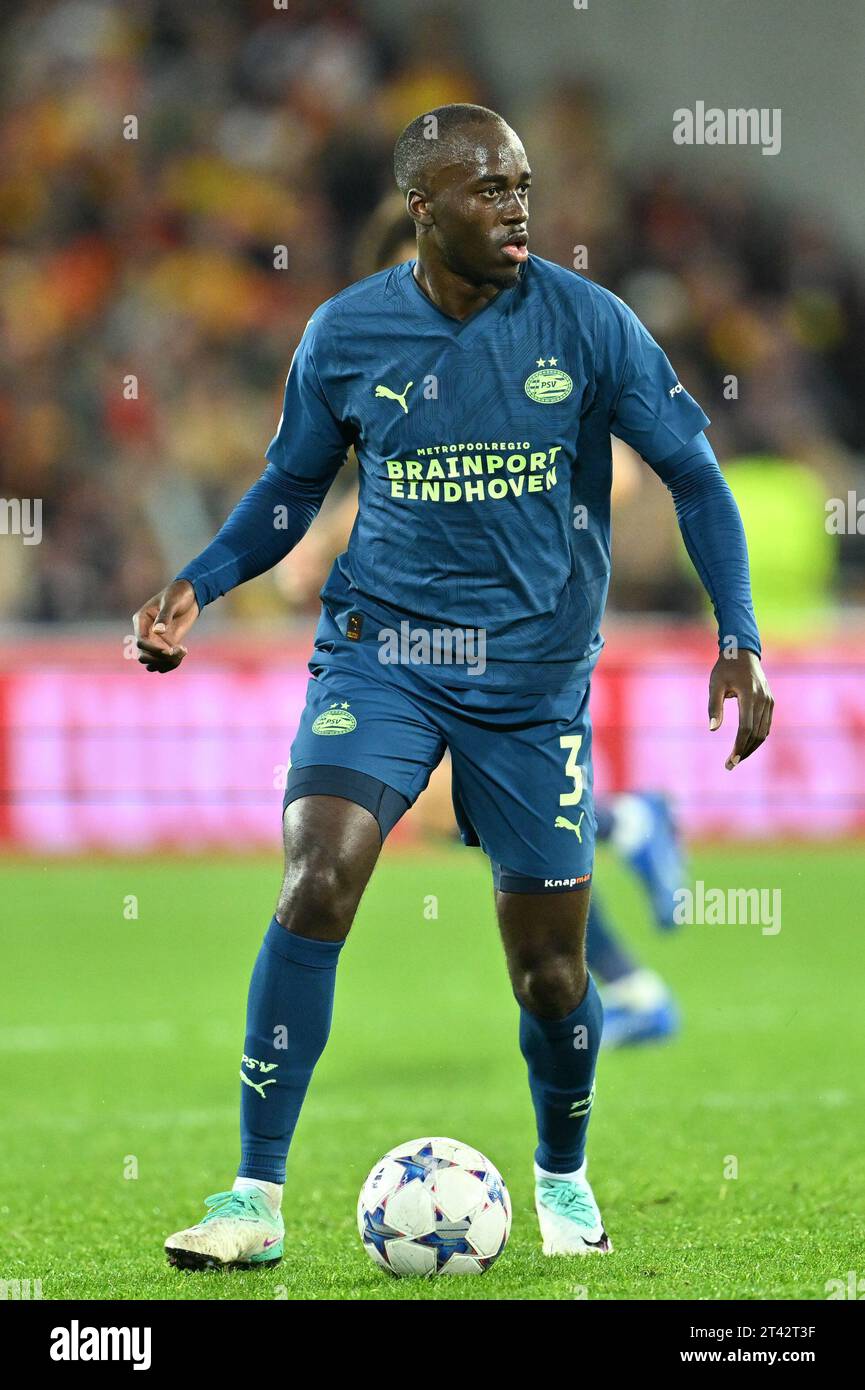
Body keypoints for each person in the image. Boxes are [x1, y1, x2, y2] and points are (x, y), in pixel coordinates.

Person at [134, 104, 773, 1267]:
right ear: (421, 210)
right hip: (382, 656)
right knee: (317, 873)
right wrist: (202, 581)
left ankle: (563, 1175)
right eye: (487, 190)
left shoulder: (590, 326)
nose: (517, 208)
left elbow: (692, 475)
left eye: (524, 185)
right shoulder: (345, 335)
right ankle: (252, 1198)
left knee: (551, 971)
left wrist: (739, 630)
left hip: (530, 682)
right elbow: (288, 490)